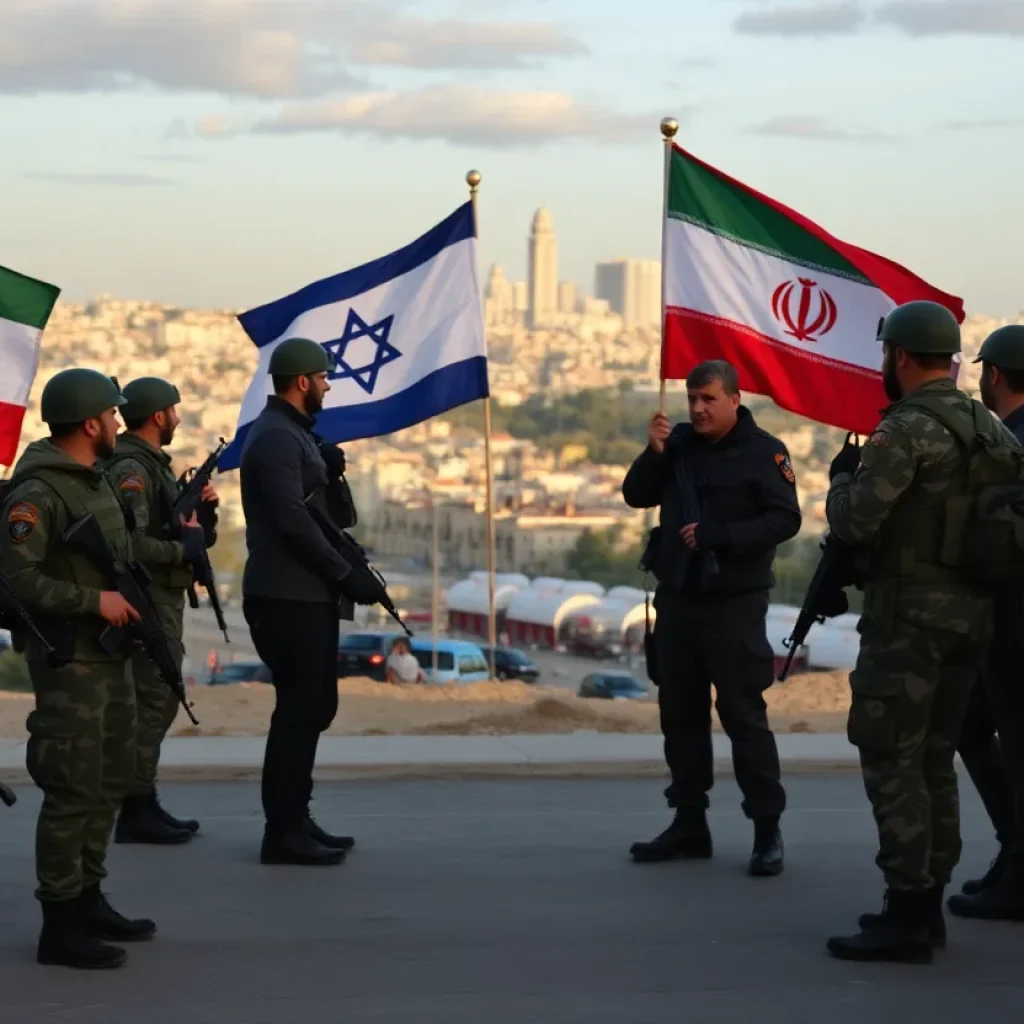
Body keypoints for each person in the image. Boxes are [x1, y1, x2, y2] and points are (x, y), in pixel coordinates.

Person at [823, 301, 1018, 963]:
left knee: (892, 756)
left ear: (900, 357)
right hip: (973, 619)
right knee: (936, 757)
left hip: (909, 623)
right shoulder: (988, 429)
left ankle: (906, 911)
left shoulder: (907, 430)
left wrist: (839, 486)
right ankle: (925, 903)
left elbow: (856, 522)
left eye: (887, 355)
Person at [0, 369, 155, 969]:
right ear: (91, 423)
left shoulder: (92, 483)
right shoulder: (38, 494)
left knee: (109, 779)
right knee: (72, 790)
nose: (119, 422)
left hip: (107, 658)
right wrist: (96, 603)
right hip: (70, 662)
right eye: (112, 415)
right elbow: (18, 581)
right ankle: (59, 925)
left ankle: (89, 898)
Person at [622, 360, 801, 876]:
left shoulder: (763, 451)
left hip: (733, 605)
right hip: (678, 601)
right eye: (692, 399)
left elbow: (785, 518)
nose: (698, 409)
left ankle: (766, 829)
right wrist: (653, 452)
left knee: (744, 717)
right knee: (680, 716)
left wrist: (720, 533)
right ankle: (688, 823)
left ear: (734, 399)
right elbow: (636, 494)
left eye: (708, 399)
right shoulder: (676, 445)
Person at [239, 337, 387, 866]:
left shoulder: (294, 435)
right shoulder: (278, 438)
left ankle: (296, 817)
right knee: (298, 712)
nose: (327, 385)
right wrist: (347, 574)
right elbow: (293, 523)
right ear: (302, 382)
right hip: (286, 595)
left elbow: (326, 515)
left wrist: (328, 469)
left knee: (314, 707)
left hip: (306, 595)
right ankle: (282, 830)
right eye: (323, 378)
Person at [103, 376, 212, 845]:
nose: (178, 418)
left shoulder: (151, 464)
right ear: (157, 416)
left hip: (161, 597)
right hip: (148, 597)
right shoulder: (133, 467)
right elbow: (128, 542)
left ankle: (141, 800)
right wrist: (180, 551)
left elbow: (181, 531)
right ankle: (134, 804)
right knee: (157, 698)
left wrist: (201, 521)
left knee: (157, 697)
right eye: (173, 410)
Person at [946, 324, 1024, 921]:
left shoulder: (1007, 447)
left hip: (1012, 623)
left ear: (993, 375)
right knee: (971, 726)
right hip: (1002, 622)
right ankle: (1015, 852)